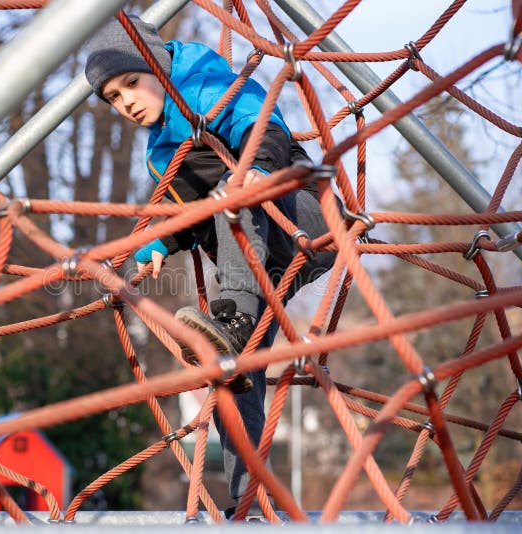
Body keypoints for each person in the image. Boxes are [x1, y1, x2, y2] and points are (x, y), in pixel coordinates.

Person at [85, 15, 336, 518]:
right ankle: (251, 498)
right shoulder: (160, 151)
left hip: (303, 217)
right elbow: (179, 209)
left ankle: (235, 323)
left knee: (230, 192)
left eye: (132, 83)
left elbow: (259, 127)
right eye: (114, 97)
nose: (127, 101)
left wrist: (254, 173)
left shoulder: (207, 79)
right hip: (258, 264)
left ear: (157, 64)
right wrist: (154, 247)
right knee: (231, 376)